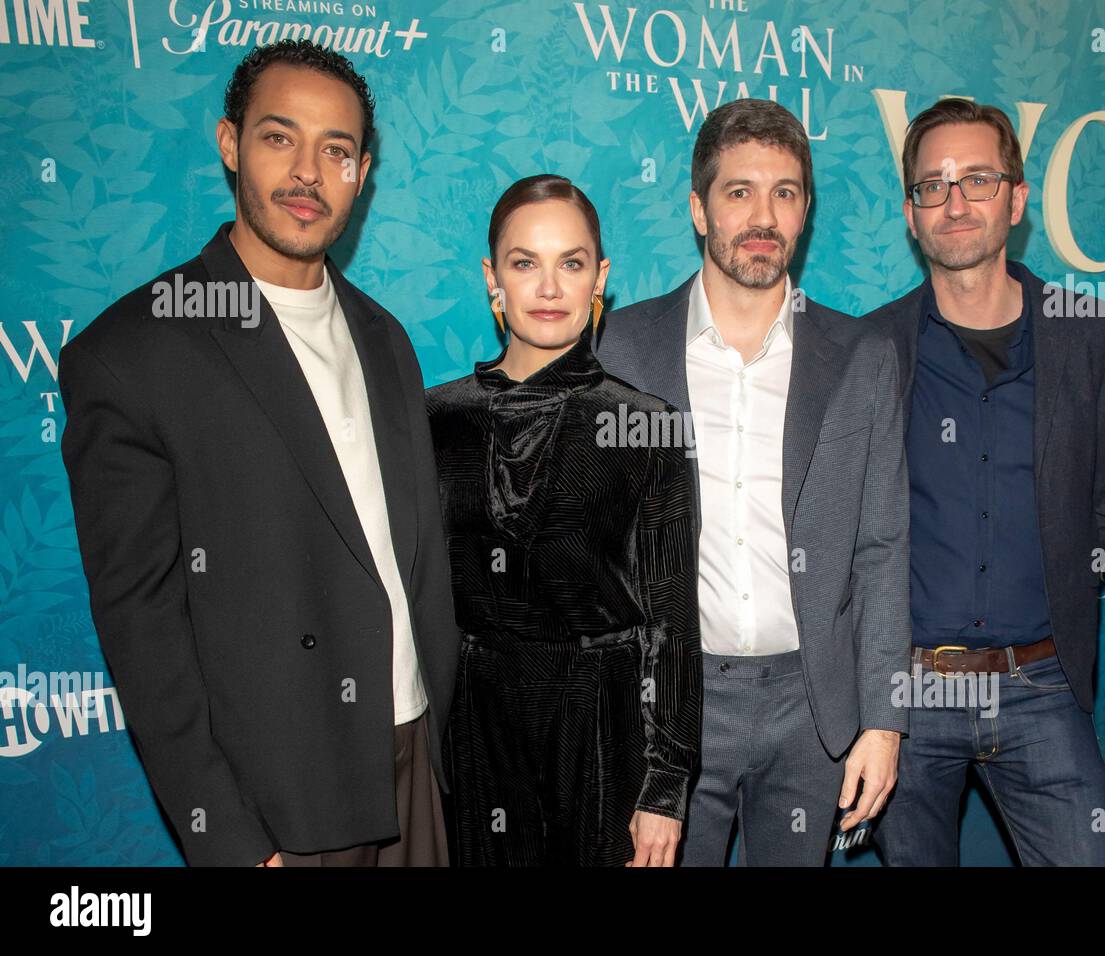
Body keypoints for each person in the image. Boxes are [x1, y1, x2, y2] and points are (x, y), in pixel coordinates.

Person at [58, 39, 459, 867]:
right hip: (282, 805)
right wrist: (231, 841)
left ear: (362, 171)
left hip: (418, 759)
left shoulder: (385, 337)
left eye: (336, 150)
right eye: (281, 137)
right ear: (230, 143)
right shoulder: (134, 353)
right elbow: (144, 634)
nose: (309, 172)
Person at [598, 99, 911, 866]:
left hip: (812, 712)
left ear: (805, 210)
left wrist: (884, 720)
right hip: (669, 707)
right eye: (739, 192)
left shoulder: (861, 358)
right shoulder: (620, 349)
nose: (763, 215)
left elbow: (881, 550)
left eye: (786, 192)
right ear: (699, 209)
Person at [865, 98, 1105, 866]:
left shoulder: (1096, 337)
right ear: (911, 212)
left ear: (1016, 200)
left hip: (1041, 683)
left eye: (978, 180)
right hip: (911, 696)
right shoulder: (871, 348)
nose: (955, 204)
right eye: (933, 186)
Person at [426, 174, 702, 866]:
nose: (549, 289)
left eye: (570, 263)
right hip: (474, 731)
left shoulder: (649, 427)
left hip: (603, 734)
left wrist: (663, 789)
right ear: (493, 277)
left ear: (598, 277)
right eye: (525, 263)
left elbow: (671, 622)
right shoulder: (432, 421)